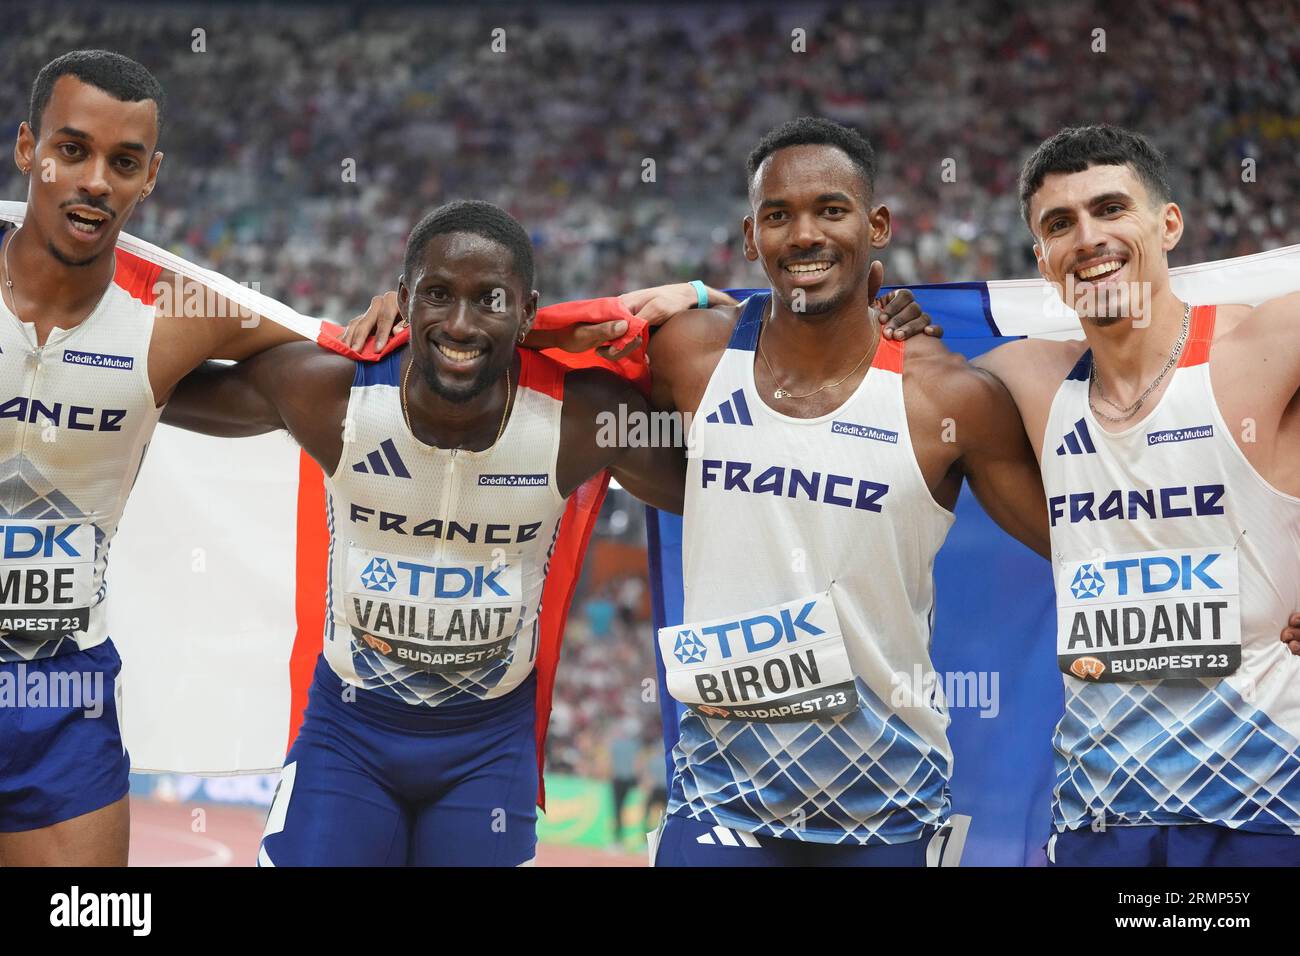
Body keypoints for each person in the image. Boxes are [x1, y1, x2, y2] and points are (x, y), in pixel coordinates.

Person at [160, 200, 697, 865]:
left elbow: (726, 474)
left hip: (488, 746)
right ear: (403, 298)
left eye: (491, 301)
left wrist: (700, 303)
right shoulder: (334, 398)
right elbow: (148, 383)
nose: (461, 324)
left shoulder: (580, 418)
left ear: (529, 313)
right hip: (348, 733)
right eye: (437, 296)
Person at [0, 50, 409, 866]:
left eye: (122, 163)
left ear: (150, 177)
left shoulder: (178, 317)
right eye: (71, 150)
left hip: (56, 684)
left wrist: (402, 303)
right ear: (26, 149)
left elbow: (347, 356)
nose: (94, 182)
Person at [640, 117, 1051, 866]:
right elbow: (534, 360)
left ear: (877, 224)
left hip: (888, 808)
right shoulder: (689, 356)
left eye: (830, 210)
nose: (804, 235)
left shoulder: (947, 399)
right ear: (748, 237)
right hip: (719, 798)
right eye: (778, 215)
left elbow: (1083, 539)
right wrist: (405, 321)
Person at [974, 124, 1300, 866]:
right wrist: (695, 295)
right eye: (1060, 224)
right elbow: (859, 356)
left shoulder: (1267, 347)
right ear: (1043, 261)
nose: (1088, 237)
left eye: (1111, 209)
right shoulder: (1027, 380)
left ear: (1169, 224)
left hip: (1271, 807)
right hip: (1102, 814)